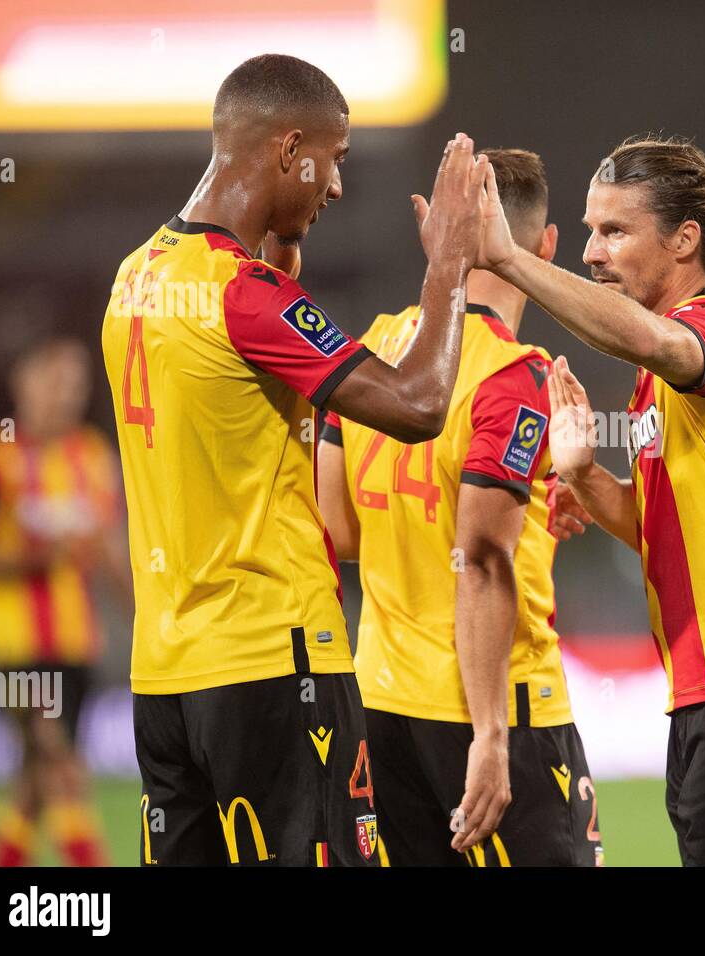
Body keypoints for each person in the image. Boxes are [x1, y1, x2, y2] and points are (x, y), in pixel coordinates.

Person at [100, 53, 489, 865]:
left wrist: (281, 241)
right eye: (334, 161)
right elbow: (417, 404)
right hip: (278, 666)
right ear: (290, 151)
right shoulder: (246, 295)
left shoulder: (135, 277)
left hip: (165, 676)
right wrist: (450, 263)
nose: (336, 187)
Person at [473, 135, 705, 865]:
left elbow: (653, 341)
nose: (591, 251)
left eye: (613, 231)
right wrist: (585, 477)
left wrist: (513, 260)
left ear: (685, 241)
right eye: (588, 230)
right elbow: (665, 534)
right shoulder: (662, 382)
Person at [317, 148, 602, 866]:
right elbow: (478, 562)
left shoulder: (373, 350)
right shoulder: (515, 375)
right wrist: (491, 735)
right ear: (545, 247)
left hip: (381, 710)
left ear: (435, 230)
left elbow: (339, 531)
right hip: (492, 717)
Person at [0, 340, 126, 867]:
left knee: (33, 786)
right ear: (24, 384)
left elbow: (108, 550)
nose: (66, 397)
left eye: (75, 387)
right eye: (54, 383)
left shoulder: (93, 455)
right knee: (62, 770)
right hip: (17, 648)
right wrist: (37, 555)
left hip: (76, 645)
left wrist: (150, 616)